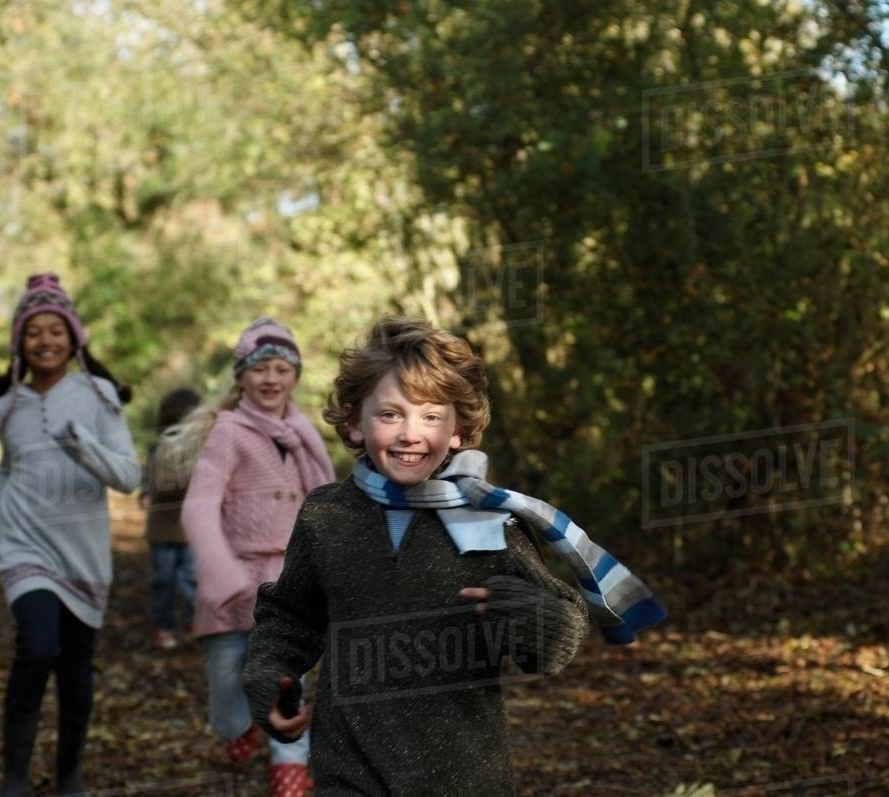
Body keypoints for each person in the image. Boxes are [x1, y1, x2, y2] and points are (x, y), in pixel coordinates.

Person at [242, 317, 667, 795]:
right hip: (349, 767)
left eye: (430, 416)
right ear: (355, 421)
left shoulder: (490, 522)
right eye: (390, 415)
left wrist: (535, 619)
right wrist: (271, 673)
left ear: (459, 430)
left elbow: (560, 634)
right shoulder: (327, 516)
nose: (410, 433)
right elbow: (290, 616)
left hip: (464, 774)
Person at [0, 273, 140, 797]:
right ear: (19, 342)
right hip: (24, 547)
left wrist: (84, 449)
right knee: (36, 649)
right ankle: (14, 780)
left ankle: (69, 776)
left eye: (57, 329)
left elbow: (129, 476)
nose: (46, 340)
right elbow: (7, 474)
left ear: (74, 337)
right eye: (34, 331)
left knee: (76, 673)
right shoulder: (5, 407)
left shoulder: (99, 395)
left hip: (84, 554)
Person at [177, 318, 334, 797]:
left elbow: (324, 506)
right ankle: (239, 726)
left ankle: (289, 764)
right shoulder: (227, 434)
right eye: (260, 368)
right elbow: (199, 506)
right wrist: (221, 574)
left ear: (295, 377)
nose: (271, 379)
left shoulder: (305, 436)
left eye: (282, 369)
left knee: (289, 676)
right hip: (234, 583)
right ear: (241, 377)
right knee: (228, 694)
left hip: (287, 585)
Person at [139, 387, 202, 650]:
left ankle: (194, 620)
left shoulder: (202, 449)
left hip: (191, 528)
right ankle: (163, 625)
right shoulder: (159, 449)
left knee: (192, 579)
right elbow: (149, 480)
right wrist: (144, 493)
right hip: (162, 527)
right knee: (163, 580)